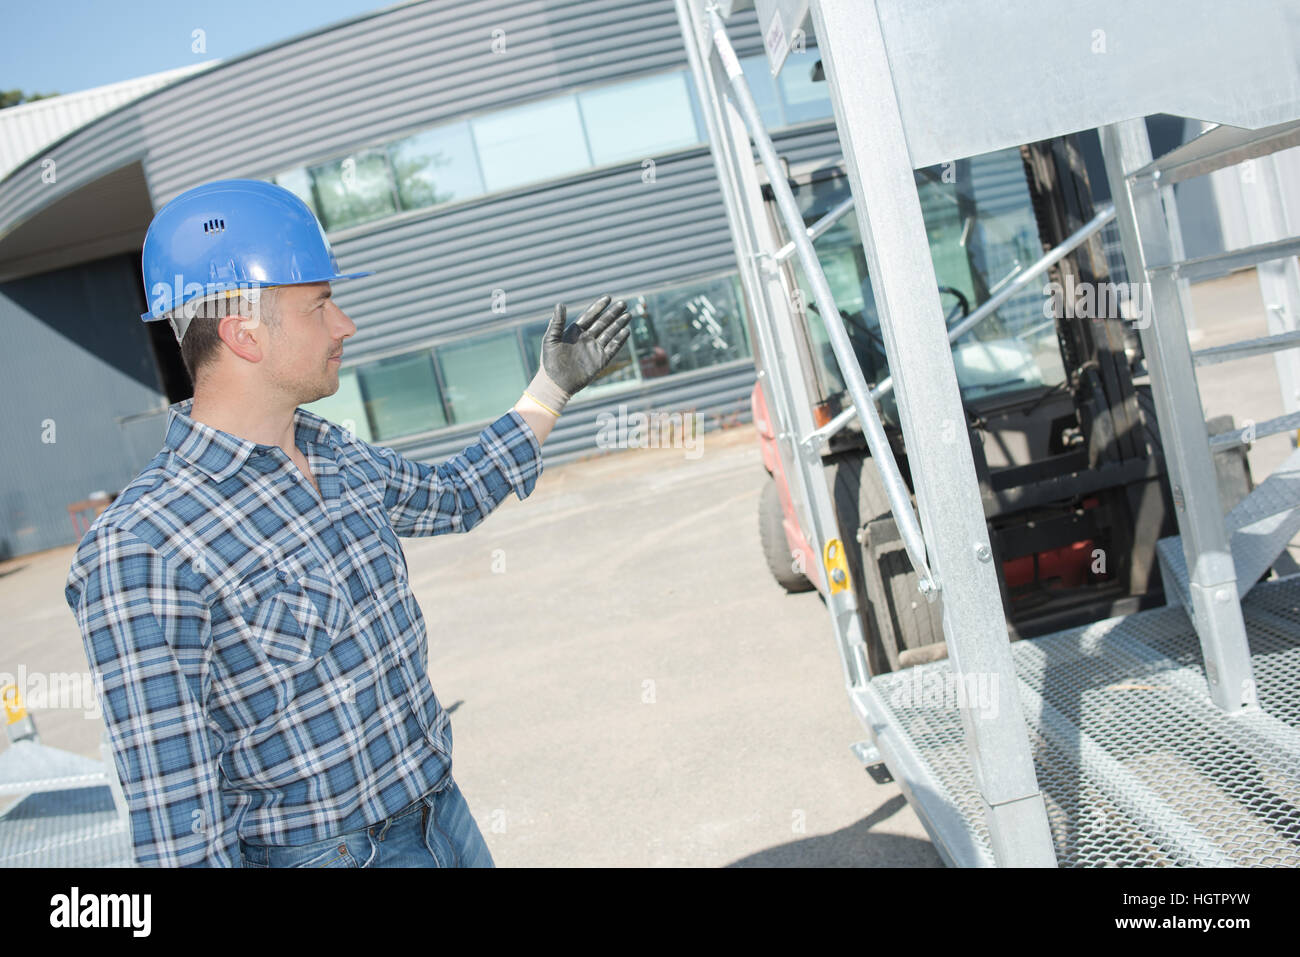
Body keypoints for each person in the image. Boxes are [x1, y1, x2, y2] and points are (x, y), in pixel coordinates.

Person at [63, 179, 630, 867]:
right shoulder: (143, 549)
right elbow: (180, 822)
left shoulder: (334, 452)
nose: (345, 325)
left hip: (442, 818)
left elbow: (454, 493)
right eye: (321, 305)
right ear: (244, 332)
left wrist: (552, 387)